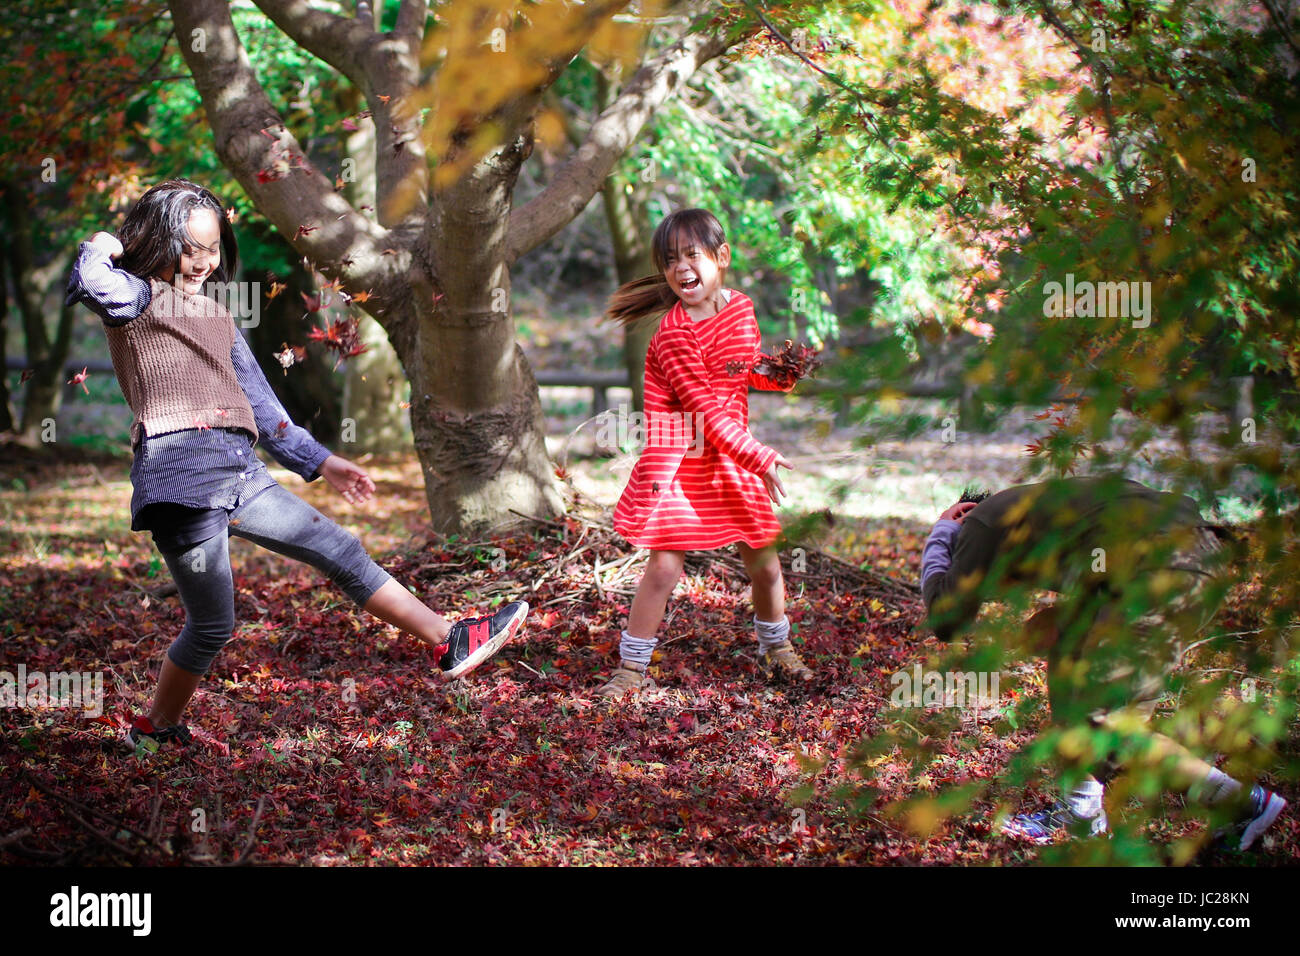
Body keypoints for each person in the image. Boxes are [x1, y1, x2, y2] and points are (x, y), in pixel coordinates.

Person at [66, 179, 527, 752]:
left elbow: (262, 405)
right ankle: (157, 729)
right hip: (180, 483)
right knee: (213, 625)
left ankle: (449, 638)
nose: (203, 261)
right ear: (158, 239)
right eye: (190, 246)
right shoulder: (134, 299)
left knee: (339, 548)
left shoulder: (216, 316)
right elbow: (89, 279)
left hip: (240, 471)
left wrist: (323, 461)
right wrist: (101, 241)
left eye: (212, 248)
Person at [920, 475, 1286, 849]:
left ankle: (1244, 802)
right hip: (1191, 565)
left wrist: (942, 533)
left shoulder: (977, 523)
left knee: (1106, 726)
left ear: (963, 513)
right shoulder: (1046, 515)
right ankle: (1080, 814)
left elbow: (946, 618)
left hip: (1159, 572)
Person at [596, 208, 810, 698]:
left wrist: (780, 372)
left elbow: (739, 371)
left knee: (766, 564)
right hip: (681, 460)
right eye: (670, 259)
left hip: (729, 456)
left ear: (721, 258)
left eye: (691, 254)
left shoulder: (740, 308)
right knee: (666, 568)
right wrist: (760, 456)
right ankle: (630, 671)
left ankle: (777, 649)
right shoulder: (673, 335)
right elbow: (704, 408)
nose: (680, 267)